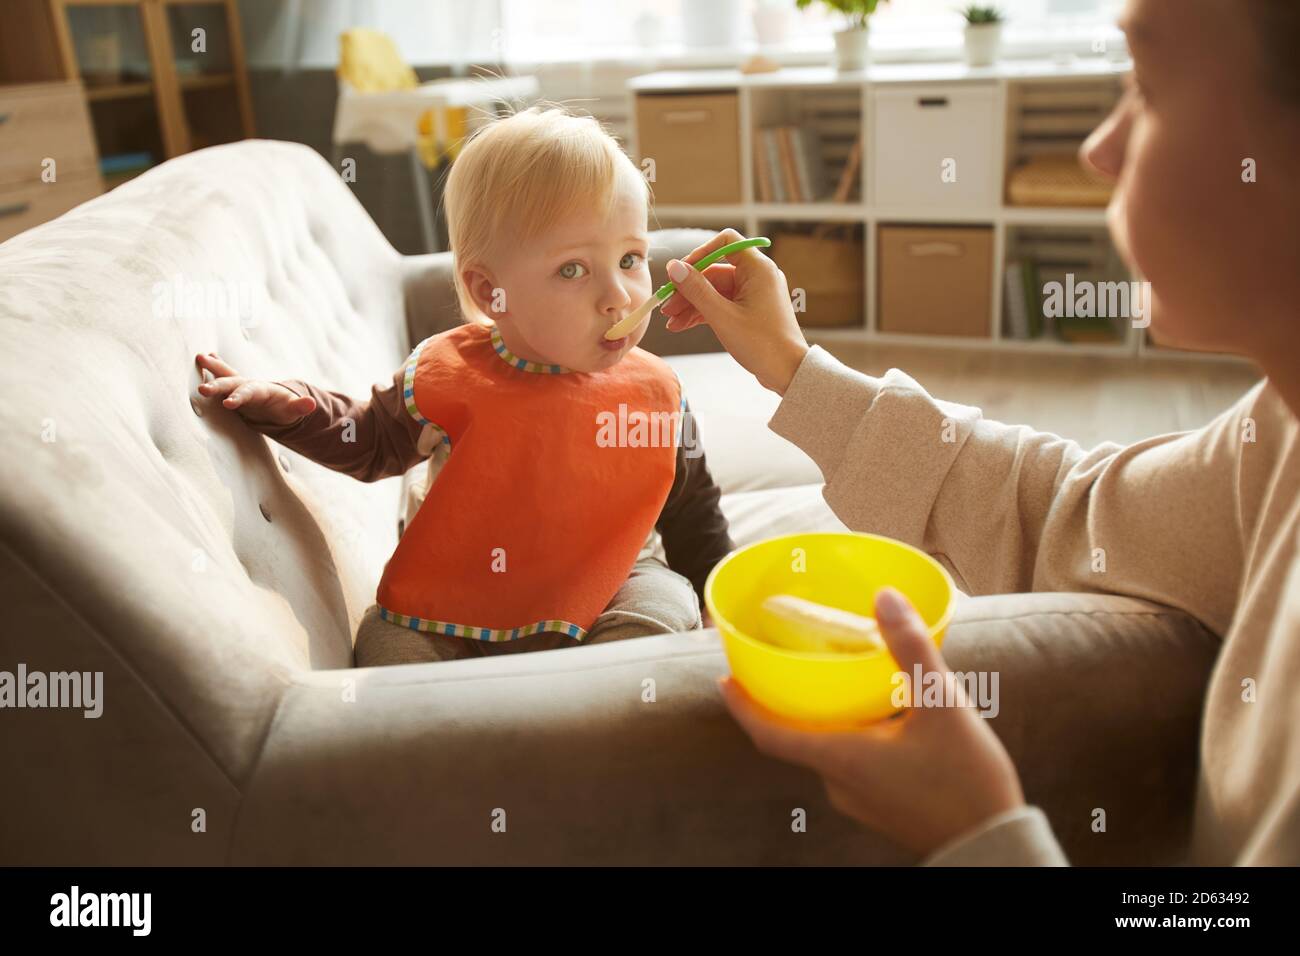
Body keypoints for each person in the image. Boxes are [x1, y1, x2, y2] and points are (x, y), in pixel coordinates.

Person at [660, 0, 1300, 865]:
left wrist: (984, 839)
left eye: (1146, 87)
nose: (1097, 150)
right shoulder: (1278, 440)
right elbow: (1066, 515)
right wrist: (792, 366)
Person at [194, 106, 733, 664]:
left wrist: (724, 603)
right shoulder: (447, 373)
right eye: (573, 269)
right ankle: (494, 716)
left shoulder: (654, 391)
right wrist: (299, 410)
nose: (619, 295)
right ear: (489, 291)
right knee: (387, 645)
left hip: (612, 580)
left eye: (630, 258)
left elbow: (691, 508)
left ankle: (585, 709)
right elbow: (370, 440)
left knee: (665, 603)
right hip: (458, 599)